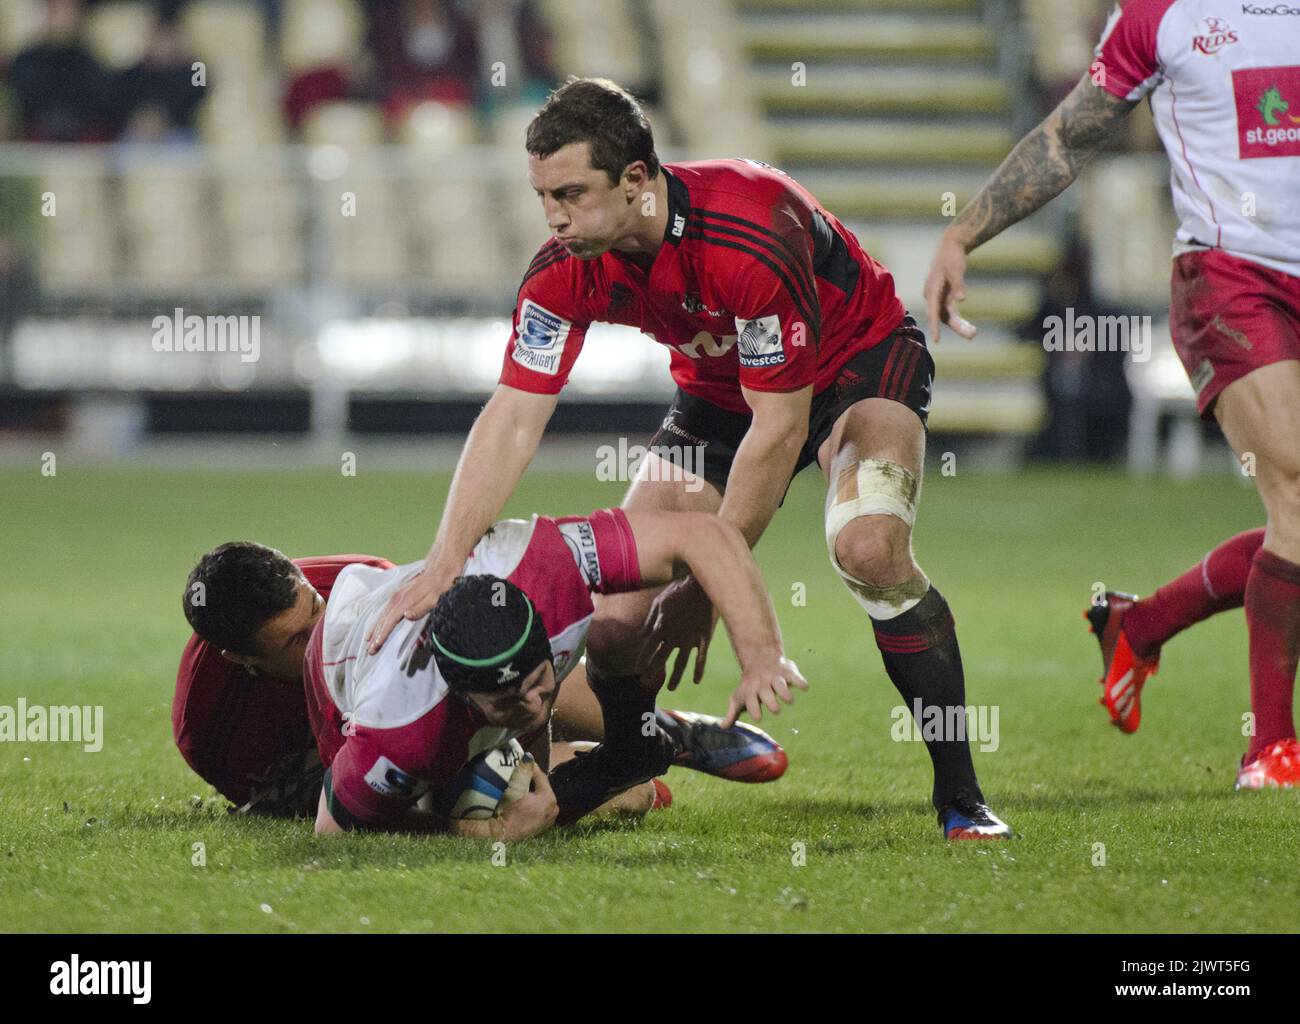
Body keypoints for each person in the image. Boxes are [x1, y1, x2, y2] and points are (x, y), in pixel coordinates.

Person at [368, 77, 1013, 840]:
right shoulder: (562, 267)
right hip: (720, 398)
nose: (553, 217)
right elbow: (512, 415)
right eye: (543, 195)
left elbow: (780, 428)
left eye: (571, 193)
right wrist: (446, 557)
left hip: (857, 364)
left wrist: (710, 584)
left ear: (637, 179)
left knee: (869, 548)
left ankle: (960, 795)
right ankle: (631, 752)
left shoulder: (749, 233)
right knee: (614, 627)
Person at [923, 0, 1300, 788]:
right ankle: (1270, 749)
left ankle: (1142, 623)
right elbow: (1069, 137)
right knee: (1295, 482)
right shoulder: (1158, 15)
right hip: (1230, 280)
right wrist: (964, 234)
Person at [302, 506, 804, 835]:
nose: (535, 704)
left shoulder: (548, 565)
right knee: (623, 799)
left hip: (438, 611)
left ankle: (660, 734)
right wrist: (482, 833)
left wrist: (760, 654)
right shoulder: (399, 729)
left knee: (613, 636)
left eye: (541, 680)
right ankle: (636, 750)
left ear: (543, 634)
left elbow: (704, 533)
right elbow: (336, 829)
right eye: (505, 702)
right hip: (341, 657)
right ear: (462, 694)